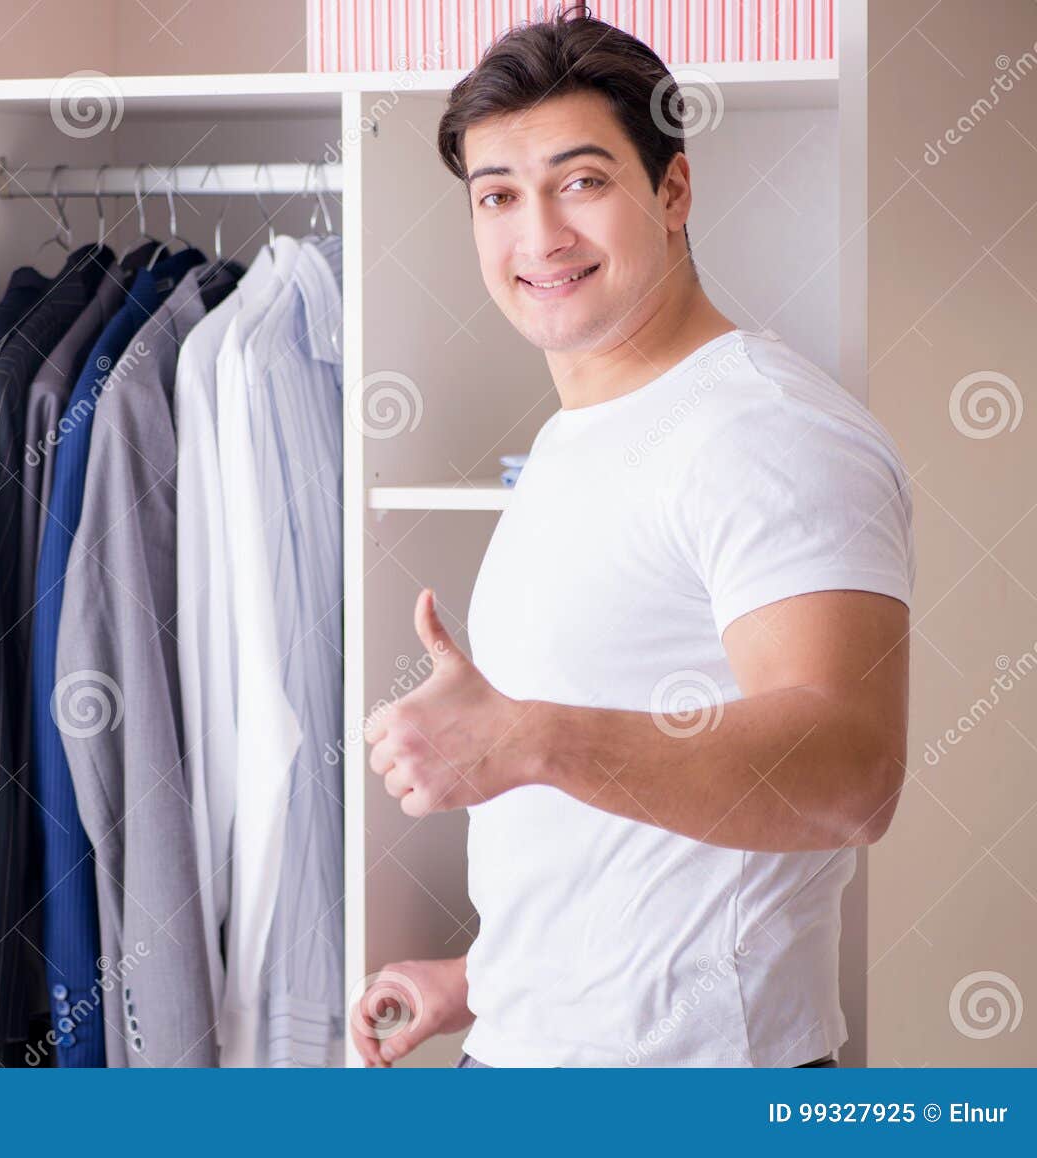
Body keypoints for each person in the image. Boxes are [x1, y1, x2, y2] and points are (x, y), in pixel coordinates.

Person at [354, 9, 914, 1069]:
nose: (540, 237)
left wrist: (527, 738)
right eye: (498, 197)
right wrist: (487, 980)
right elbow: (627, 835)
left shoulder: (765, 430)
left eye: (581, 182)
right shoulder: (582, 435)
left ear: (672, 191)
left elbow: (852, 774)